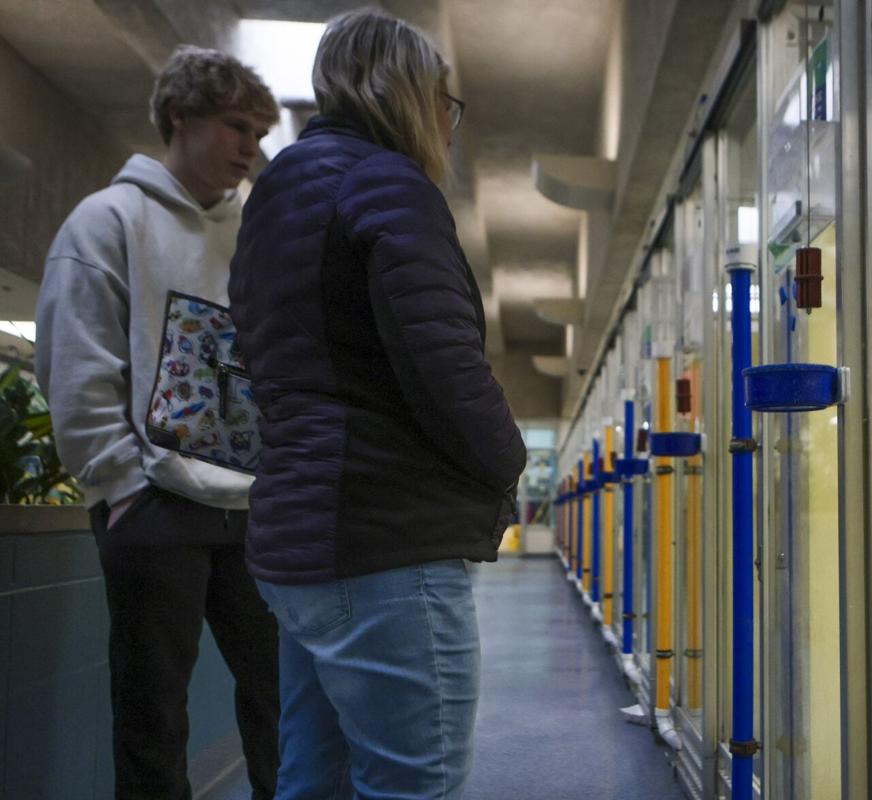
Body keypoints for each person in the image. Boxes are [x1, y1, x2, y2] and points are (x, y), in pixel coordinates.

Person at [228, 8, 526, 799]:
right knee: (411, 784)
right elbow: (446, 369)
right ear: (406, 94)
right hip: (381, 541)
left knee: (310, 779)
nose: (449, 126)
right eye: (444, 102)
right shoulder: (388, 185)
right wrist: (510, 463)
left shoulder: (274, 194)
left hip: (297, 546)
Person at [35, 46, 282, 800]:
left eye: (260, 131)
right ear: (181, 116)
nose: (251, 147)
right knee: (152, 715)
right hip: (154, 505)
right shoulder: (108, 221)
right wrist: (119, 484)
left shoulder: (256, 237)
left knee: (285, 699)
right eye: (237, 125)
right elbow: (75, 363)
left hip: (254, 512)